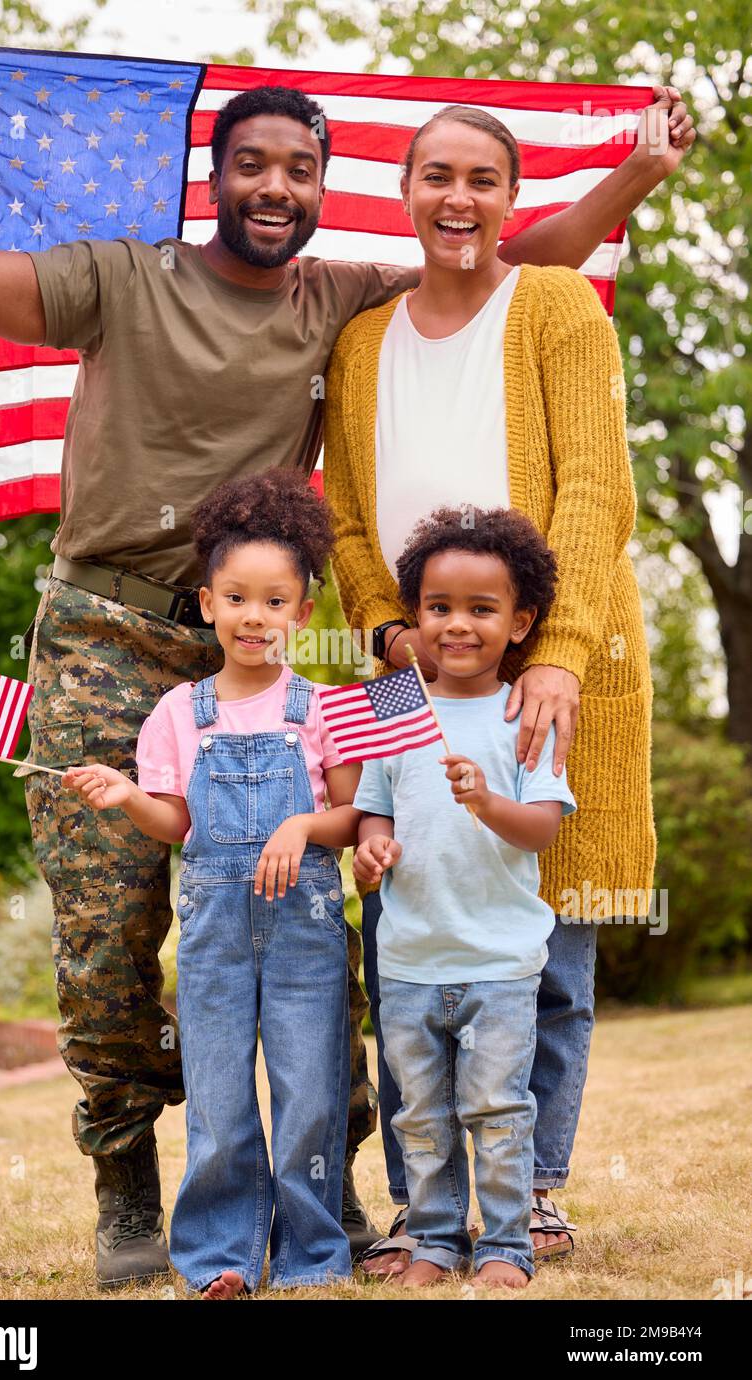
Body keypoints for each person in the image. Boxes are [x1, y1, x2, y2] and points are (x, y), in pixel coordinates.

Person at [0, 78, 693, 1285]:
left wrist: (630, 177)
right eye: (252, 163)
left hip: (267, 652)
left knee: (319, 926)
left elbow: (503, 252)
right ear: (213, 172)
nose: (275, 186)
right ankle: (126, 1188)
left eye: (298, 169)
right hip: (109, 636)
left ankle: (342, 1199)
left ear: (324, 185)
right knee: (109, 942)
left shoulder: (342, 298)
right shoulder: (121, 276)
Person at [323, 102, 661, 1271]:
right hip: (411, 668)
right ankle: (429, 1204)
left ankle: (536, 1188)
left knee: (549, 938)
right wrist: (379, 625)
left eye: (480, 179)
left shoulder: (558, 308)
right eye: (434, 177)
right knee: (414, 920)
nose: (456, 199)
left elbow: (591, 494)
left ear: (510, 201)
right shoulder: (361, 341)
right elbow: (347, 519)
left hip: (551, 662)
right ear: (404, 192)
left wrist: (557, 647)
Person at [65, 471, 360, 1297]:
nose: (255, 618)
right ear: (207, 604)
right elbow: (179, 822)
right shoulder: (177, 713)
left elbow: (352, 818)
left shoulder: (322, 710)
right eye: (238, 599)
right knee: (221, 1099)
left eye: (275, 602)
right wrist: (129, 797)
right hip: (215, 936)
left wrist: (301, 827)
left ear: (302, 613)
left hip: (303, 929)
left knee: (308, 1095)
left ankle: (311, 1256)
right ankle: (220, 1259)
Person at [352, 506, 576, 1287]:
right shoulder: (393, 709)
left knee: (496, 1110)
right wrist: (370, 848)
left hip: (499, 960)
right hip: (410, 958)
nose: (457, 625)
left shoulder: (526, 715)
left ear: (520, 624)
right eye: (439, 607)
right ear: (414, 616)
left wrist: (484, 801)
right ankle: (437, 1240)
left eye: (482, 610)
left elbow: (542, 829)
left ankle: (508, 1245)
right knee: (419, 1114)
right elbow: (374, 805)